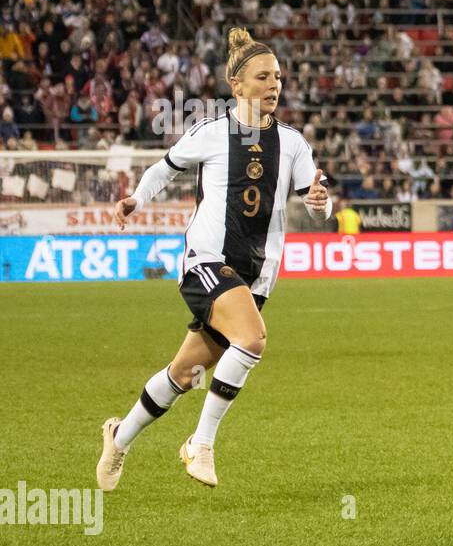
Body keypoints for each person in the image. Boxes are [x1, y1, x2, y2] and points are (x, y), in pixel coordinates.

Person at [97, 28, 332, 490]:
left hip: (255, 277)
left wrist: (322, 202)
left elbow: (314, 199)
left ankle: (118, 437)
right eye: (263, 76)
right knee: (253, 338)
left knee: (185, 374)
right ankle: (200, 444)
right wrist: (135, 200)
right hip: (206, 262)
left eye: (279, 77)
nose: (274, 85)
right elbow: (165, 168)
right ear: (237, 84)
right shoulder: (210, 132)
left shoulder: (293, 143)